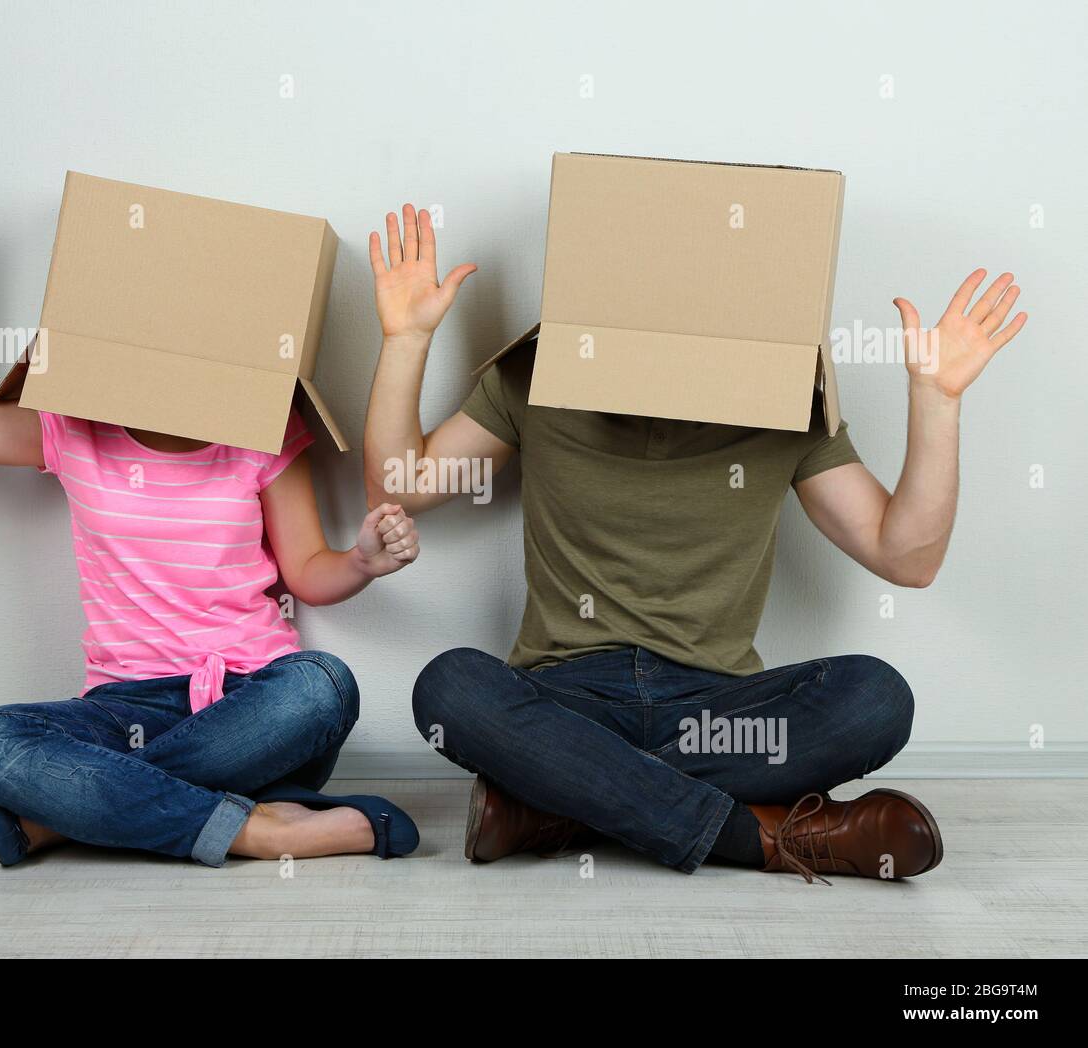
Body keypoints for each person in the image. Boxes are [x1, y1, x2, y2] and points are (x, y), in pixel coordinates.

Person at [362, 202, 1028, 883]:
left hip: (719, 714)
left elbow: (907, 557)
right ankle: (756, 837)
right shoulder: (536, 377)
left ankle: (562, 800)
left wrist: (937, 398)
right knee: (450, 686)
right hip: (566, 695)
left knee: (877, 697)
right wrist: (407, 339)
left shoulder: (787, 405)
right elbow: (401, 483)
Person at [0, 164, 421, 868]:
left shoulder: (263, 427)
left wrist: (365, 561)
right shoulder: (70, 426)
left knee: (324, 686)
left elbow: (308, 572)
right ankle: (259, 829)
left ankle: (71, 817)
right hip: (121, 705)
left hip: (253, 704)